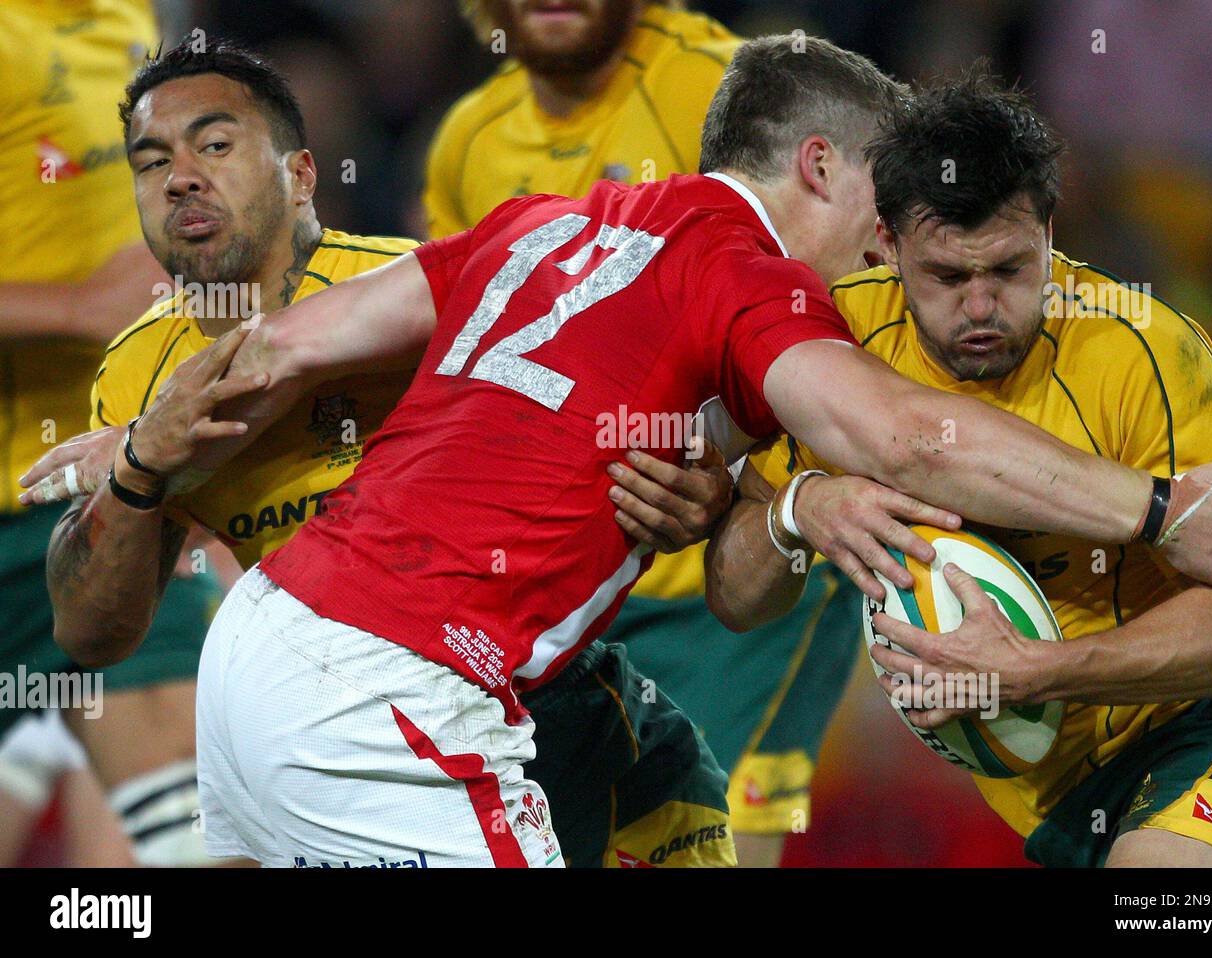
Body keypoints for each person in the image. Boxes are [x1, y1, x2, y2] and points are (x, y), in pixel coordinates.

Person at [42, 35, 1212, 867]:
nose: (888, 246)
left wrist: (140, 442)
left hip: (261, 656)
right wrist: (1161, 508)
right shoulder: (749, 281)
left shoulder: (545, 227)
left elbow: (290, 342)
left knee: (661, 769)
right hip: (397, 695)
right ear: (817, 167)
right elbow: (907, 433)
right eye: (882, 203)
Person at [25, 38, 734, 869]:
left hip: (549, 712)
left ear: (300, 175)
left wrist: (703, 492)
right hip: (334, 736)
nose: (180, 175)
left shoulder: (426, 297)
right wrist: (138, 469)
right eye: (151, 162)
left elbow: (649, 400)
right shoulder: (139, 375)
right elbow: (91, 633)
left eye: (214, 145)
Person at [714, 71, 1212, 867]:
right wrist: (797, 510)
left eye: (1012, 270)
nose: (982, 308)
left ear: (1050, 232)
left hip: (1204, 735)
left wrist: (1035, 673)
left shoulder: (1143, 353)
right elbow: (735, 594)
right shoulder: (835, 350)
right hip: (1053, 799)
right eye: (949, 277)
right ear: (886, 245)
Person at [425, 0, 863, 866]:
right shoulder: (467, 140)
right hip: (563, 598)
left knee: (713, 851)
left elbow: (840, 309)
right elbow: (465, 358)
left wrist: (730, 476)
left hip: (732, 600)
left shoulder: (720, 85)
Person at [0, 0, 226, 865]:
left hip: (86, 486)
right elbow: (100, 292)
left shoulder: (131, 16)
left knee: (193, 828)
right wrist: (74, 308)